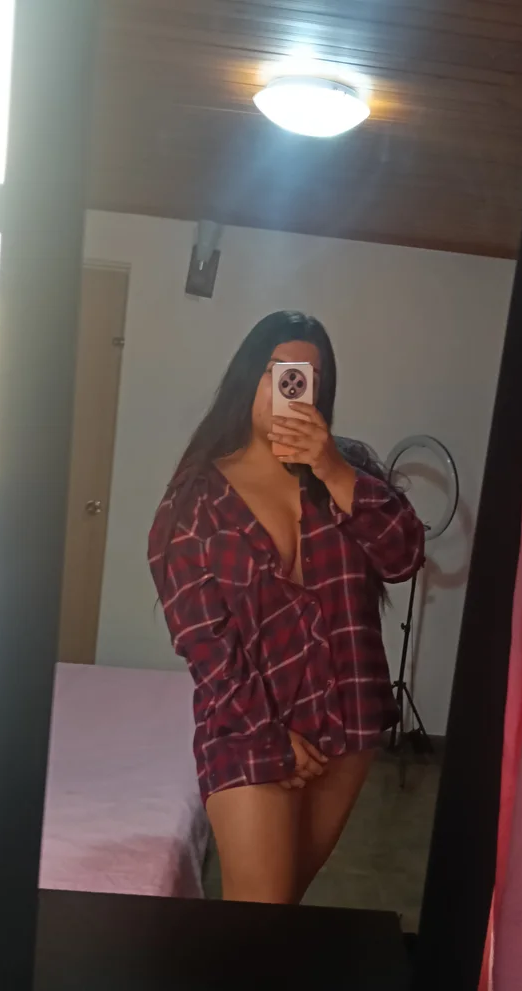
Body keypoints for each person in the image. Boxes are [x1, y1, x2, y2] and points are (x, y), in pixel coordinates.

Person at [148, 310, 425, 904]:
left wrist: (332, 468)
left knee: (280, 911)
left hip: (347, 719)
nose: (295, 388)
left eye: (310, 379)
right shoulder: (197, 500)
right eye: (282, 372)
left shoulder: (348, 469)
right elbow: (204, 644)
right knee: (262, 913)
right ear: (250, 376)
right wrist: (270, 738)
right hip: (246, 728)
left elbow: (404, 556)